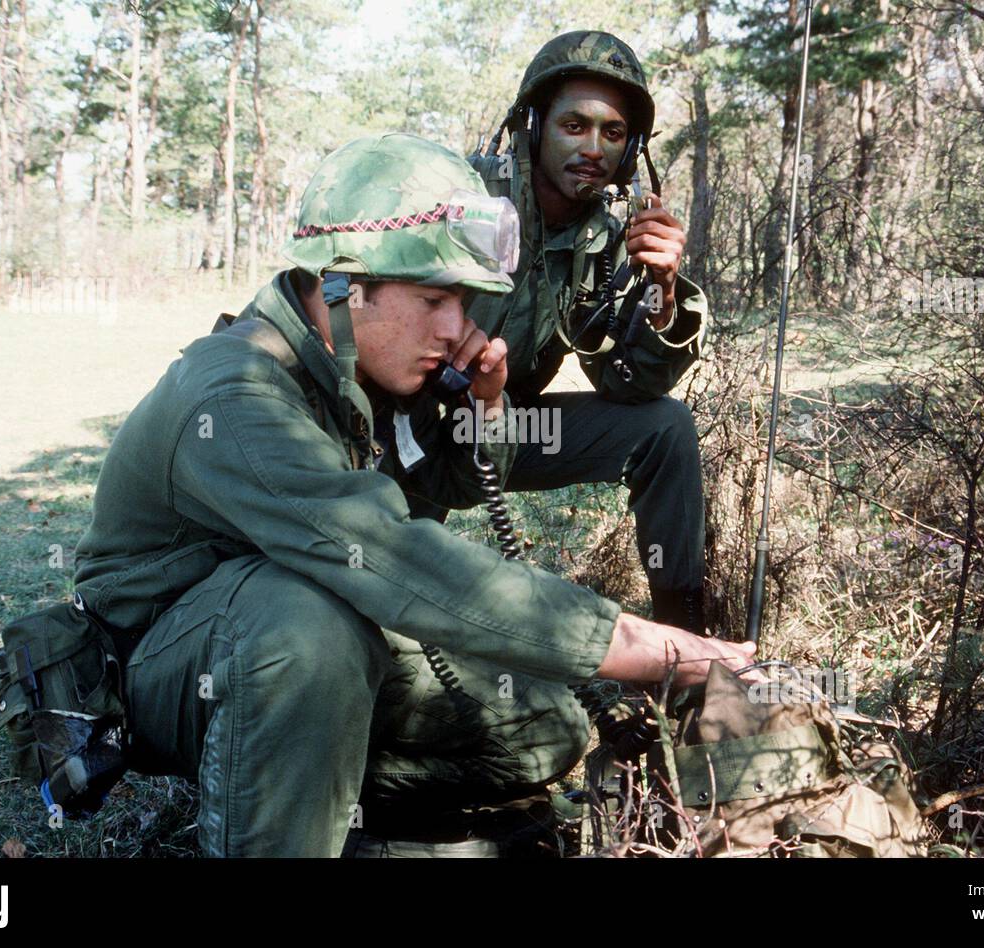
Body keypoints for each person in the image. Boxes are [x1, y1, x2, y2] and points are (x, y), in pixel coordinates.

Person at [71, 133, 756, 857]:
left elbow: (454, 486)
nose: (454, 328)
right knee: (304, 626)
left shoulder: (361, 368)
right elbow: (396, 559)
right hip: (169, 665)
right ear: (342, 283)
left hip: (308, 629)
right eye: (433, 298)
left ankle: (346, 812)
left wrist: (486, 406)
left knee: (544, 724)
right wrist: (633, 643)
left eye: (463, 302)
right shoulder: (235, 393)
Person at [426, 30, 710, 634]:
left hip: (511, 429)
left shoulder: (607, 239)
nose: (594, 149)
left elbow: (629, 385)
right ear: (534, 126)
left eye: (613, 133)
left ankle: (684, 644)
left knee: (666, 428)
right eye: (574, 126)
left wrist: (661, 288)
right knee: (396, 609)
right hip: (408, 433)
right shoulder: (459, 193)